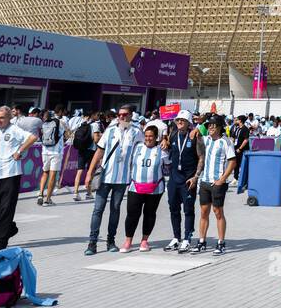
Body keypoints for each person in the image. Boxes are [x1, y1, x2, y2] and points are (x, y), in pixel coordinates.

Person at [0, 106, 36, 253]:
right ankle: (9, 228)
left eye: (2, 118)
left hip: (11, 173)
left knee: (6, 208)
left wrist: (20, 151)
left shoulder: (14, 129)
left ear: (9, 118)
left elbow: (33, 137)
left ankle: (1, 240)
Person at [84, 104, 140, 255]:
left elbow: (141, 152)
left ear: (131, 115)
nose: (121, 117)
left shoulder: (136, 133)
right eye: (119, 114)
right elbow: (99, 152)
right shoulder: (110, 131)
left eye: (124, 114)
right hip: (105, 177)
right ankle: (92, 243)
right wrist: (89, 173)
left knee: (115, 210)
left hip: (122, 178)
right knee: (98, 209)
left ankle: (111, 241)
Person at [191, 115, 236, 255]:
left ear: (220, 127)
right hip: (205, 181)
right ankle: (202, 241)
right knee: (204, 212)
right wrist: (196, 130)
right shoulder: (206, 140)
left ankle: (221, 242)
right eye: (208, 125)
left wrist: (223, 178)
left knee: (218, 212)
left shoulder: (225, 142)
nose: (210, 127)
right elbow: (197, 145)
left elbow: (232, 161)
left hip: (217, 182)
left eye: (213, 125)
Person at [120, 124, 168, 253]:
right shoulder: (137, 147)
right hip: (135, 187)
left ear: (156, 137)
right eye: (146, 136)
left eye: (151, 136)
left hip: (155, 189)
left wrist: (166, 140)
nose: (148, 138)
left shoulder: (162, 150)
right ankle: (128, 241)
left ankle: (144, 241)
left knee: (149, 214)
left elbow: (168, 167)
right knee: (132, 214)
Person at [163, 110, 199, 252]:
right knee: (173, 208)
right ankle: (176, 237)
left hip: (188, 179)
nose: (179, 122)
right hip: (174, 178)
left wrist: (196, 176)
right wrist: (165, 141)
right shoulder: (173, 135)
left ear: (188, 123)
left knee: (188, 209)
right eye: (178, 120)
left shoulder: (195, 136)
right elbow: (168, 148)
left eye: (182, 120)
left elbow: (201, 157)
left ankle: (187, 238)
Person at [37, 106, 66, 205]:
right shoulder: (60, 122)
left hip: (45, 151)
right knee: (52, 175)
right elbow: (68, 134)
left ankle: (40, 194)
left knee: (45, 172)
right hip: (56, 152)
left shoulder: (44, 124)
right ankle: (47, 199)